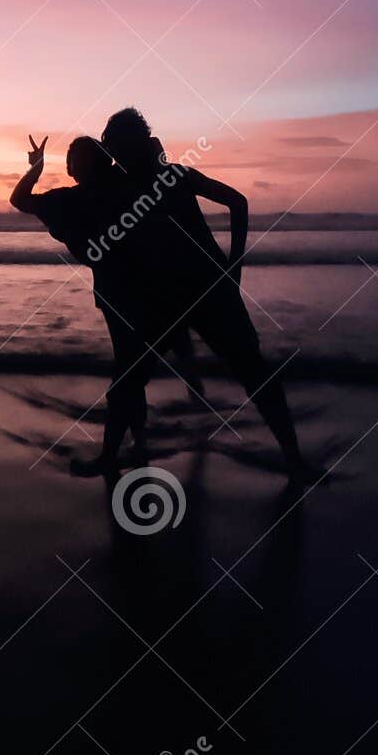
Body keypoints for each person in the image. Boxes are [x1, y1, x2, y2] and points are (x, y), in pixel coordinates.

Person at [100, 108, 310, 478]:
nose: (116, 159)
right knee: (129, 379)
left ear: (135, 145)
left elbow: (238, 202)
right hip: (166, 296)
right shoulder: (131, 184)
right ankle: (111, 458)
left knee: (253, 371)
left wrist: (235, 265)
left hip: (208, 289)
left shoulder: (173, 177)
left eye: (118, 149)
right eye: (113, 152)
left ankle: (295, 460)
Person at [10, 134, 156, 474]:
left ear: (92, 162)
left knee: (127, 373)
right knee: (130, 367)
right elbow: (20, 200)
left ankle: (111, 457)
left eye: (74, 157)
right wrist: (39, 167)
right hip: (121, 292)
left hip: (138, 290)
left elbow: (20, 198)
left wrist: (36, 169)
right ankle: (139, 443)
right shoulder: (87, 195)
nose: (69, 163)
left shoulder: (114, 190)